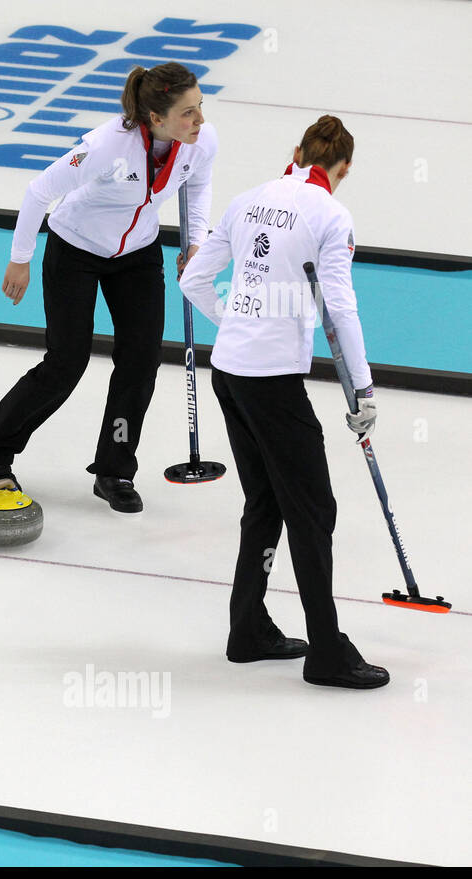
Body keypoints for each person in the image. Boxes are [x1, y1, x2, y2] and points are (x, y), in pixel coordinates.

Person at [179, 115, 387, 689]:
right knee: (313, 511)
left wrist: (236, 324)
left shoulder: (247, 200)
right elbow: (340, 310)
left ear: (295, 152)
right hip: (271, 383)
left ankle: (247, 629)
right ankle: (326, 651)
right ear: (341, 168)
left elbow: (194, 280)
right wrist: (363, 389)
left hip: (231, 371)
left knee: (266, 502)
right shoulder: (330, 214)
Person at [0, 62, 217, 513]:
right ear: (156, 119)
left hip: (138, 255)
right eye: (188, 113)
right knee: (67, 362)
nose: (200, 120)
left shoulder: (201, 142)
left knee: (141, 360)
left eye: (200, 107)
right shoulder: (106, 147)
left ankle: (115, 470)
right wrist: (20, 260)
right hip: (76, 250)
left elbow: (197, 190)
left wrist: (194, 242)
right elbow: (38, 191)